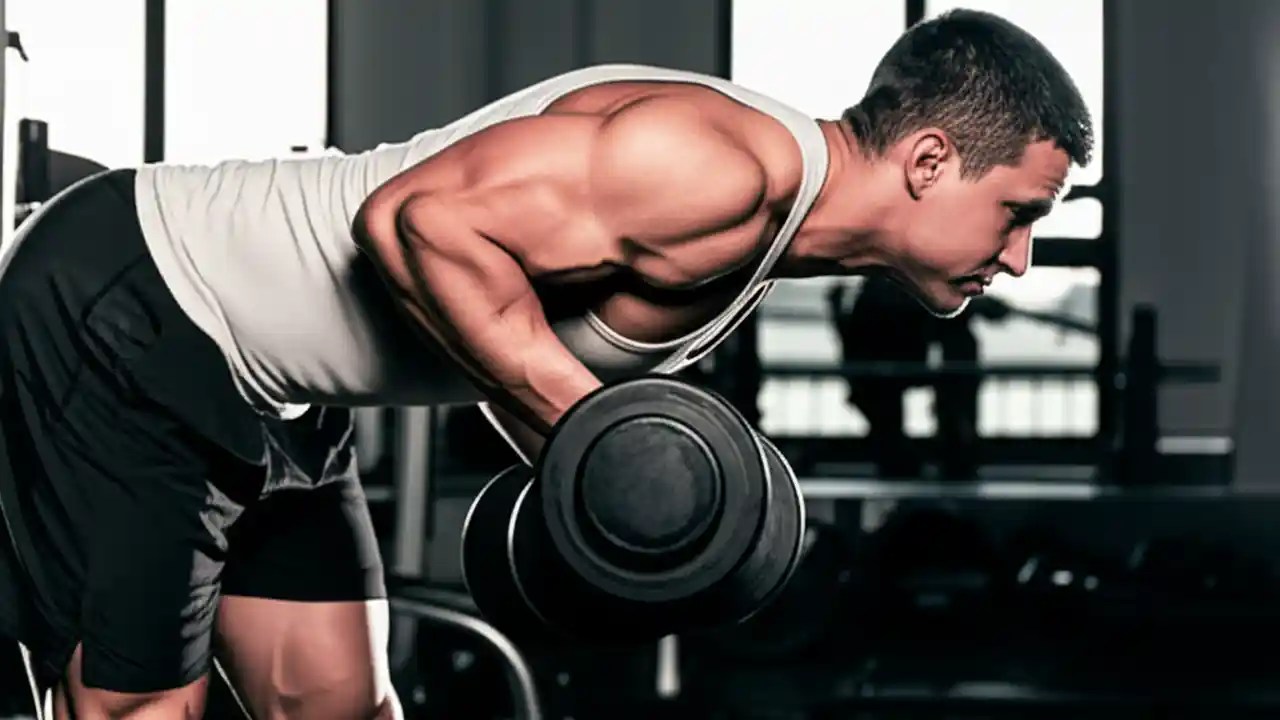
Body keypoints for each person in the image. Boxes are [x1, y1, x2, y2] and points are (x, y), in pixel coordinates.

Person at [0, 9, 1091, 719]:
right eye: (1017, 213)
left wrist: (592, 474)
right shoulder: (717, 169)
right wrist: (586, 436)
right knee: (141, 709)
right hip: (145, 298)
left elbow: (507, 347)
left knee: (341, 708)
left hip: (285, 381)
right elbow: (415, 222)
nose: (1018, 255)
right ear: (930, 160)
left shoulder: (763, 232)